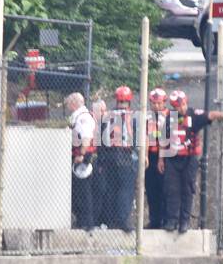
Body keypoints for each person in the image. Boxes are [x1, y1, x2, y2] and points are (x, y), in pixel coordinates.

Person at [159, 90, 223, 234]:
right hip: (172, 159)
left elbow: (210, 115)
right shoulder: (168, 118)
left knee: (187, 189)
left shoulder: (193, 115)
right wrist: (161, 159)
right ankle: (171, 220)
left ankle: (184, 221)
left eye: (183, 105)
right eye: (177, 107)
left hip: (189, 158)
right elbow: (163, 140)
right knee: (172, 190)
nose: (181, 108)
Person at [97, 86, 137, 230]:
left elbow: (99, 139)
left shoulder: (106, 116)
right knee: (126, 189)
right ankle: (122, 221)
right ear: (129, 101)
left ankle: (110, 221)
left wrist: (101, 160)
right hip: (125, 155)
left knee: (110, 189)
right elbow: (137, 138)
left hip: (108, 156)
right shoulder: (133, 117)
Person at [64, 92, 96, 229]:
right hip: (79, 155)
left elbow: (86, 137)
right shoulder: (78, 116)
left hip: (83, 156)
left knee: (83, 191)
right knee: (78, 191)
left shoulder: (83, 117)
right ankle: (82, 221)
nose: (68, 106)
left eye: (69, 103)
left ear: (74, 103)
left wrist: (81, 154)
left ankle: (86, 223)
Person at [143, 87, 168, 229]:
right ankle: (155, 221)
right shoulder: (147, 117)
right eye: (153, 103)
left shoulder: (170, 116)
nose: (156, 106)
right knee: (151, 189)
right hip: (151, 156)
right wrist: (145, 155)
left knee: (164, 189)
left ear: (164, 102)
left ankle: (166, 220)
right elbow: (146, 136)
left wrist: (161, 159)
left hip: (165, 156)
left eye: (159, 103)